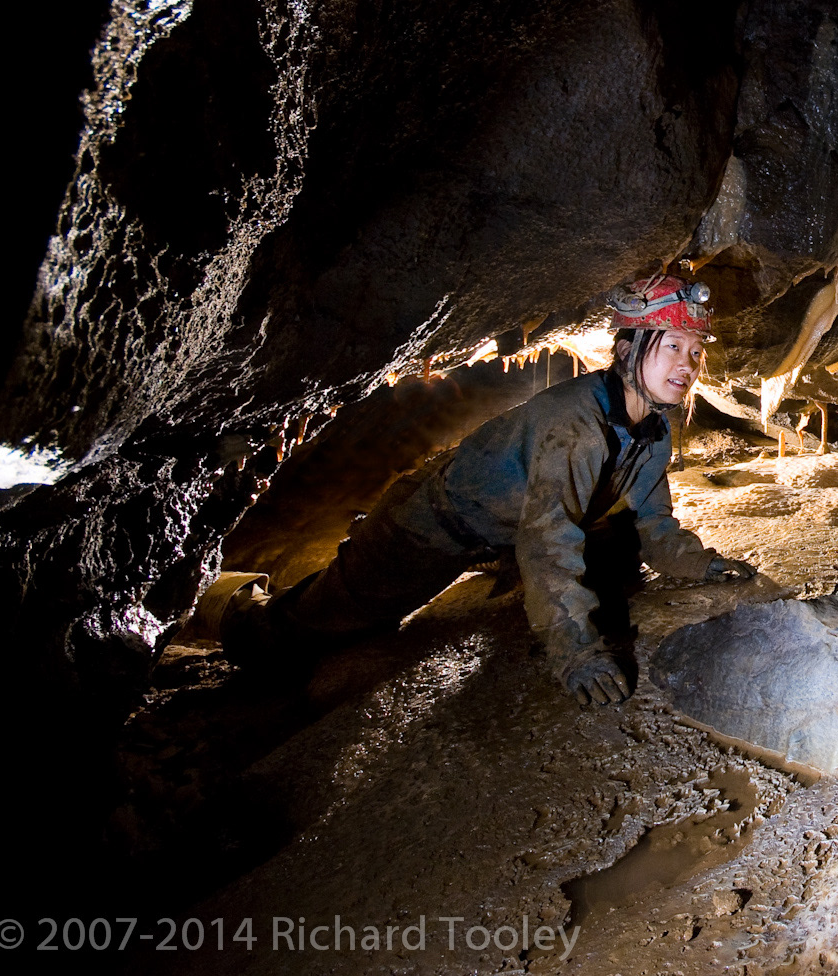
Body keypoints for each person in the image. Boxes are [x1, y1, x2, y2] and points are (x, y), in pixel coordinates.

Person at [206, 275, 756, 706]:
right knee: (334, 619)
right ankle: (238, 615)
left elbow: (653, 519)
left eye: (694, 351)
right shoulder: (575, 422)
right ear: (629, 348)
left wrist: (699, 566)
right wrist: (575, 652)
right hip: (433, 522)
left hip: (497, 528)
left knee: (617, 551)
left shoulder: (654, 424)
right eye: (673, 346)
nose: (687, 365)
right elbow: (548, 540)